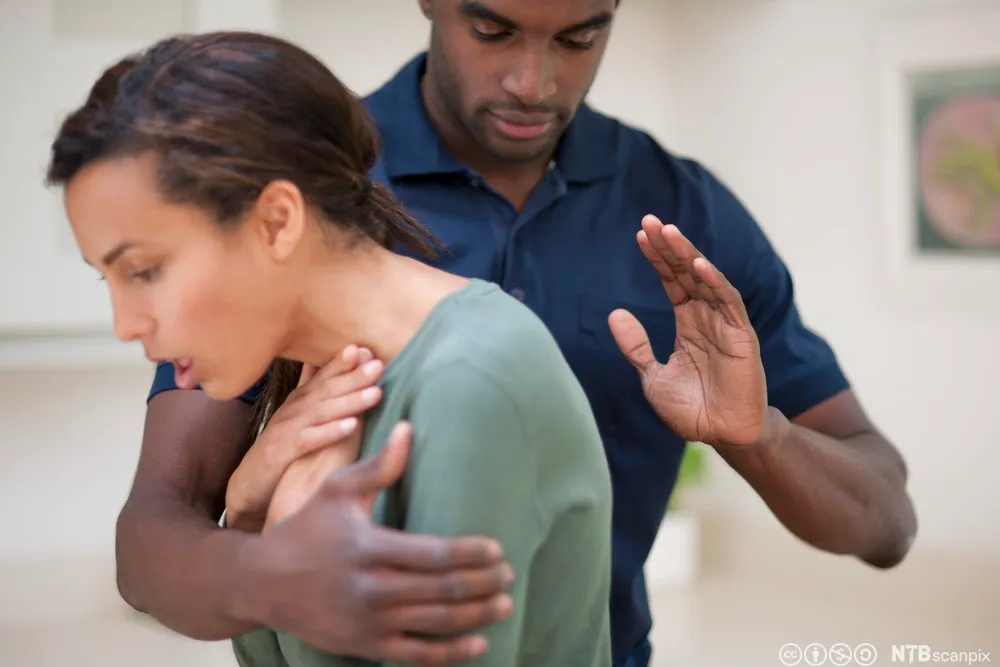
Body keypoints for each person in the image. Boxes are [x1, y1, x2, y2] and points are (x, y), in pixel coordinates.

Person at [64, 1, 917, 666]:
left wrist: (759, 435)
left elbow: (886, 523)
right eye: (493, 28)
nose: (532, 81)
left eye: (580, 37)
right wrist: (266, 552)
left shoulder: (682, 216)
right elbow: (151, 538)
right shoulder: (305, 181)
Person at [48, 30, 615, 667]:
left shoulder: (473, 379)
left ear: (277, 222)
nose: (125, 324)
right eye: (110, 277)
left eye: (145, 269)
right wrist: (249, 512)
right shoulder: (309, 388)